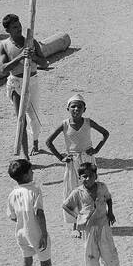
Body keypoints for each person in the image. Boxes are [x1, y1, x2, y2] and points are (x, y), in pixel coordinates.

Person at [45, 93, 109, 229]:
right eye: (73, 106)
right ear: (67, 108)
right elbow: (48, 142)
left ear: (84, 109)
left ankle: (92, 219)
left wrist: (96, 149)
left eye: (79, 107)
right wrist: (61, 157)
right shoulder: (64, 124)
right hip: (72, 162)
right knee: (73, 190)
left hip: (87, 160)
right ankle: (76, 223)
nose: (76, 109)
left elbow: (105, 133)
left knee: (90, 189)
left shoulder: (88, 122)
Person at [62, 162, 125, 266]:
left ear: (96, 176)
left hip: (103, 224)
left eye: (91, 176)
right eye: (84, 176)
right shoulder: (77, 192)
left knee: (109, 251)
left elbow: (108, 199)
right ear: (80, 178)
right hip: (88, 227)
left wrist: (110, 212)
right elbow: (65, 206)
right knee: (91, 254)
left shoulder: (102, 187)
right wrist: (77, 217)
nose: (88, 179)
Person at [0, 13, 49, 156]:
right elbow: (3, 69)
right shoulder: (4, 45)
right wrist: (20, 57)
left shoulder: (31, 42)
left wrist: (33, 57)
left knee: (34, 116)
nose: (19, 29)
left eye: (19, 25)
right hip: (16, 83)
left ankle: (35, 142)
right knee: (21, 119)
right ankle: (26, 156)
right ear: (8, 30)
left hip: (32, 82)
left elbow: (45, 63)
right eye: (14, 27)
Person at [6, 156, 51, 266]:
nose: (33, 172)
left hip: (21, 233)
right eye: (31, 170)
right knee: (46, 264)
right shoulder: (35, 190)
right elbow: (40, 214)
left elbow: (12, 216)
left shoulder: (13, 194)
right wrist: (44, 234)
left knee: (27, 262)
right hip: (36, 232)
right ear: (26, 175)